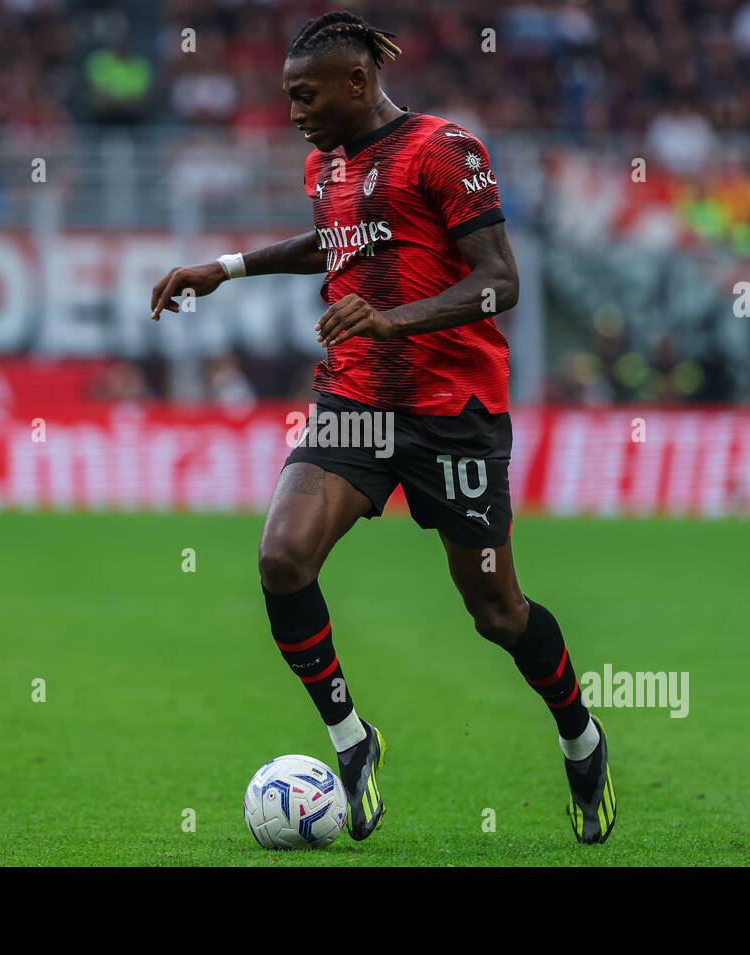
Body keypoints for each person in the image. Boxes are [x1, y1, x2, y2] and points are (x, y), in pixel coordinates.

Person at [150, 10, 615, 845]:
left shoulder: (446, 149)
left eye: (305, 94)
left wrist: (393, 319)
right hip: (356, 406)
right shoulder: (324, 165)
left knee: (497, 612)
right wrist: (225, 269)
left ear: (357, 83)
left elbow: (500, 282)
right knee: (282, 558)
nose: (294, 110)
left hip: (454, 417)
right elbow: (331, 243)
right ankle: (352, 741)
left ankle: (580, 738)